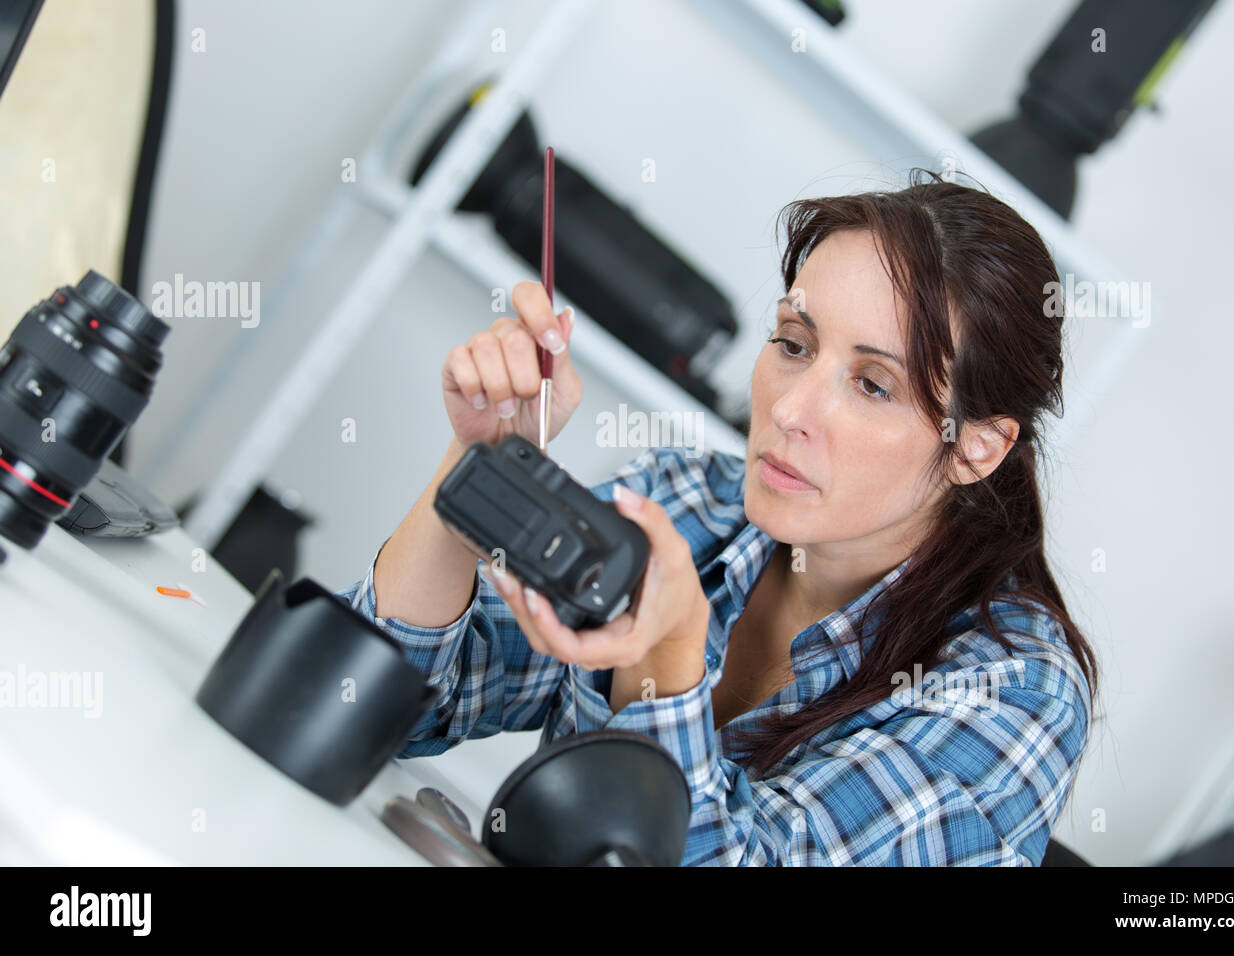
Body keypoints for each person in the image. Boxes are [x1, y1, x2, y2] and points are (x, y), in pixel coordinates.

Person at [335, 169, 1100, 866]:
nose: (790, 409)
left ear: (976, 448)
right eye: (794, 345)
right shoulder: (688, 503)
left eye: (872, 385)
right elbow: (371, 709)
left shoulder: (1015, 691)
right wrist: (477, 473)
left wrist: (666, 656)